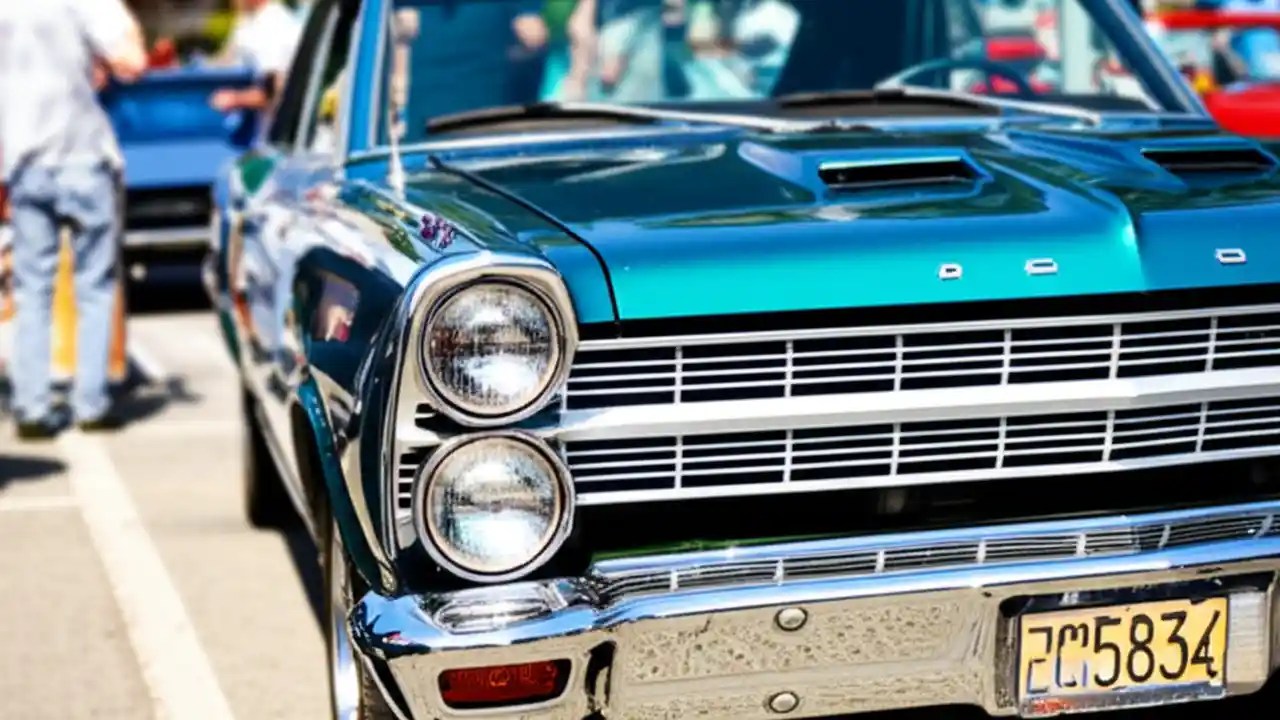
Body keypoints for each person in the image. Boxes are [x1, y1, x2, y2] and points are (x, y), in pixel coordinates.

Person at [0, 0, 147, 439]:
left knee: (32, 288)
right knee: (95, 287)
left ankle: (31, 407)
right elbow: (132, 63)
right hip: (83, 156)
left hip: (24, 161)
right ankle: (92, 402)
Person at [209, 0, 305, 113]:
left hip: (271, 121)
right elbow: (225, 61)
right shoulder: (249, 19)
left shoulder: (274, 25)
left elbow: (273, 89)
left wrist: (235, 99)